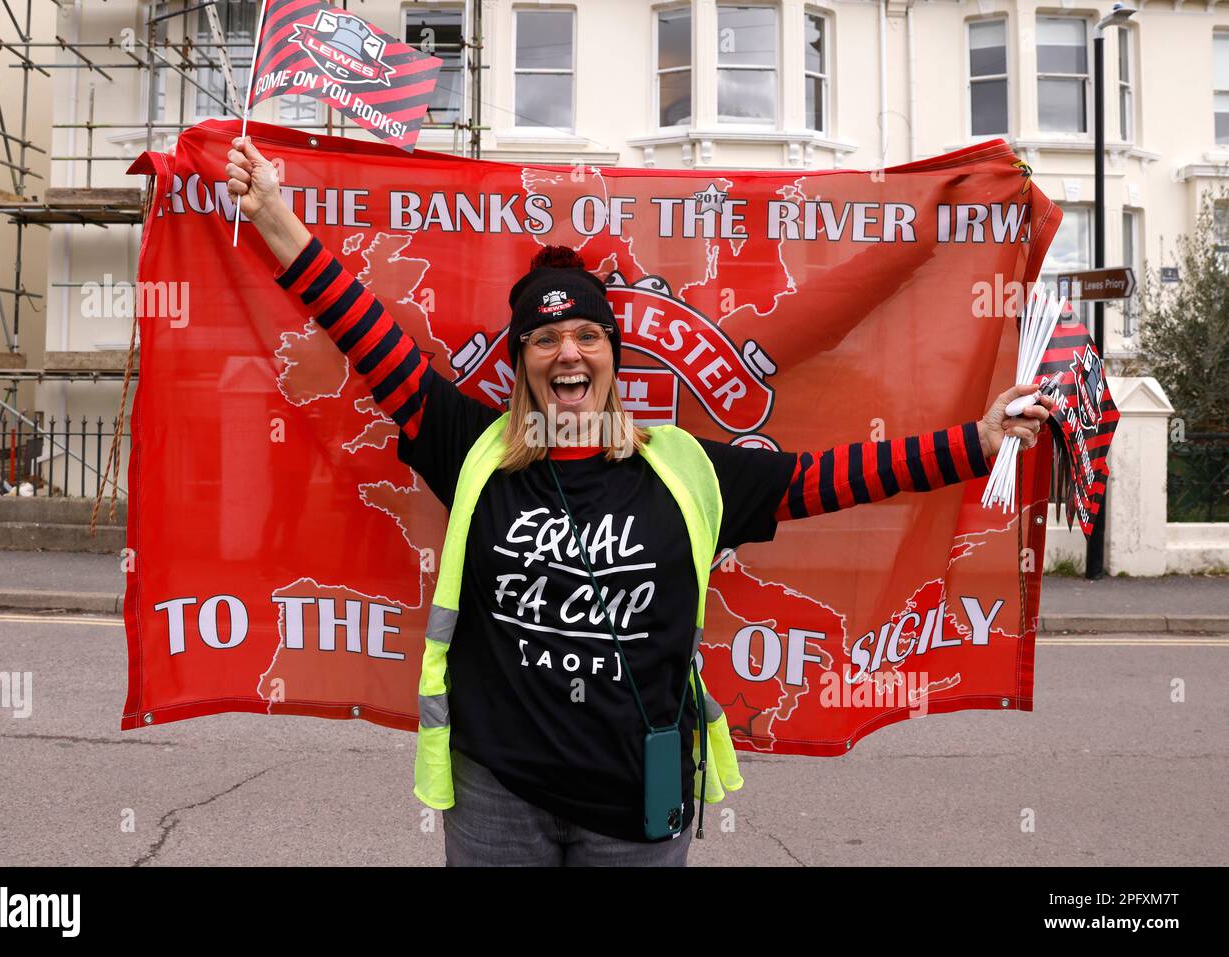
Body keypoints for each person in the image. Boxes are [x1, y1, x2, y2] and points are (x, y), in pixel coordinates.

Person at [225, 135, 1052, 867]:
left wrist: (975, 443)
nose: (567, 351)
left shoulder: (683, 466)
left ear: (613, 356)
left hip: (638, 807)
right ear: (522, 362)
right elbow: (366, 334)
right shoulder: (471, 448)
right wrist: (273, 216)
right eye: (544, 338)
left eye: (586, 334)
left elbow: (827, 477)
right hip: (496, 797)